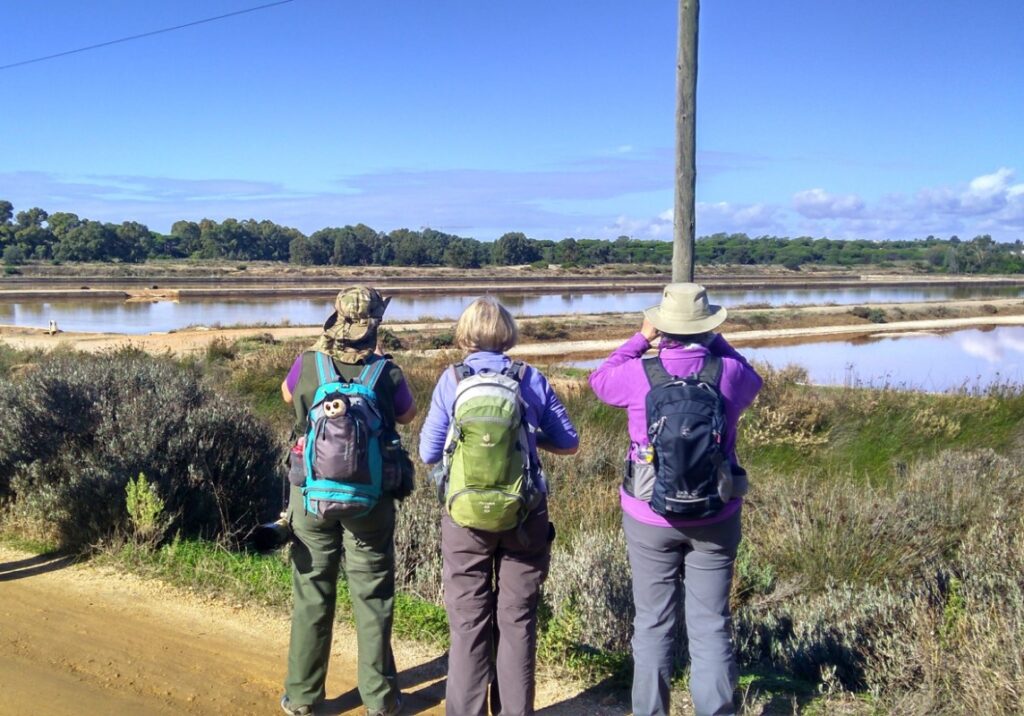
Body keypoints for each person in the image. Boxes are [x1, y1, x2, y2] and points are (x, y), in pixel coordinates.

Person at [589, 283, 762, 716]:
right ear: (707, 325)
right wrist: (714, 338)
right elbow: (752, 376)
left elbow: (598, 379)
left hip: (648, 514)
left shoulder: (637, 373)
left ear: (662, 324)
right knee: (711, 626)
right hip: (716, 513)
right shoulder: (729, 373)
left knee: (652, 624)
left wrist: (641, 338)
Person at [419, 296, 579, 716]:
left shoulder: (451, 379)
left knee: (468, 621)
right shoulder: (531, 377)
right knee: (517, 620)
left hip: (464, 518)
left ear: (464, 334)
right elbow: (570, 442)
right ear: (508, 333)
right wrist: (527, 439)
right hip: (525, 513)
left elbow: (427, 452)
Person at [279, 286, 416, 716]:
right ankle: (379, 699)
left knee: (312, 593)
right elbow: (408, 415)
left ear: (334, 317)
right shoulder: (385, 373)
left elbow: (288, 397)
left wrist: (323, 351)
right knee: (373, 598)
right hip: (370, 500)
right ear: (376, 323)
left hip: (311, 496)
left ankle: (302, 697)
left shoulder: (307, 363)